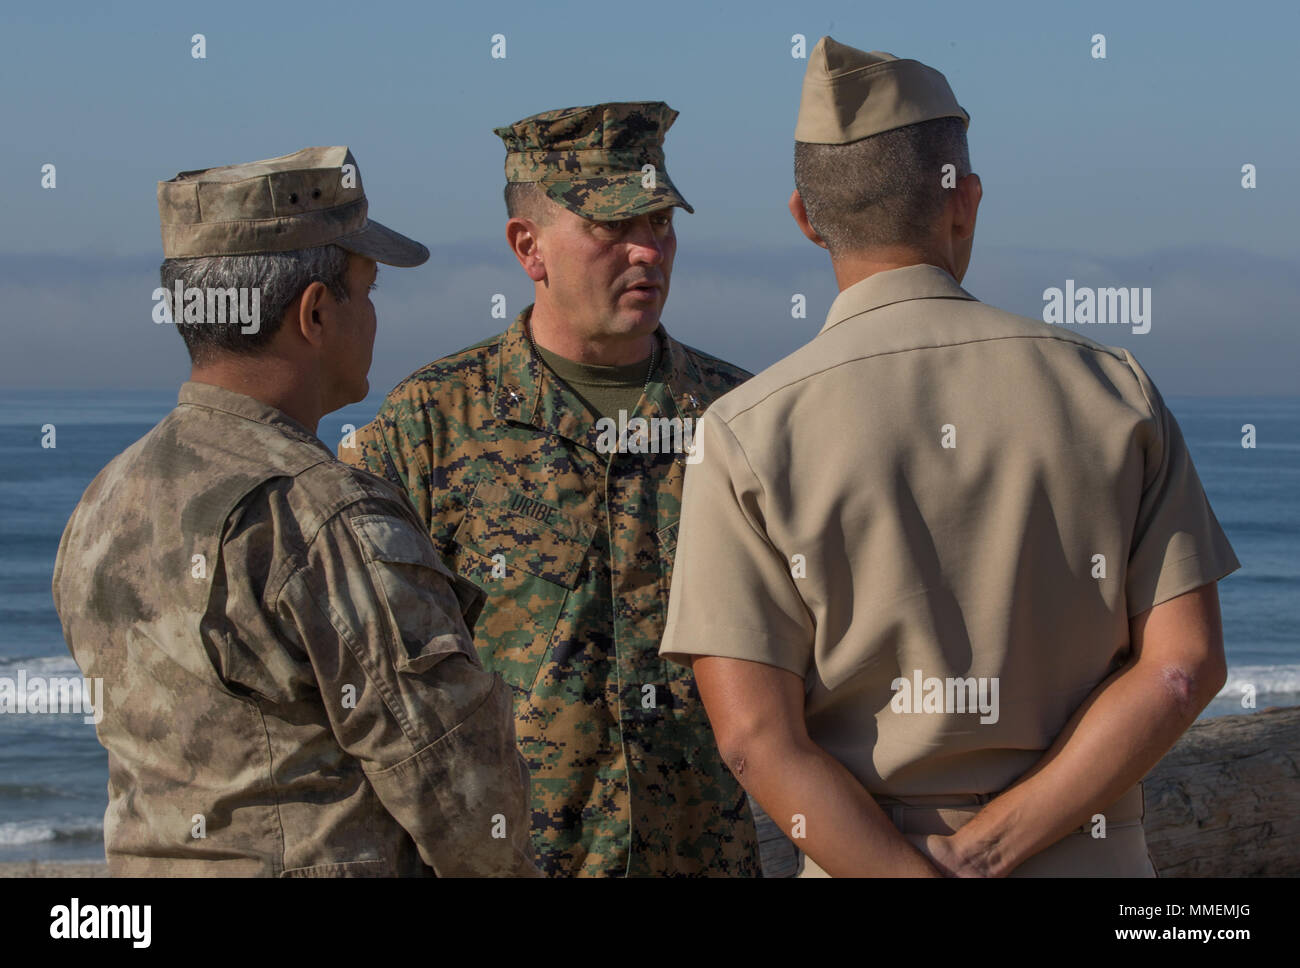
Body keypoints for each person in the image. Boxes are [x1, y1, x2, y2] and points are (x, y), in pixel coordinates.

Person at [659, 38, 1240, 877]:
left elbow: (754, 742)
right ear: (961, 201)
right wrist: (986, 848)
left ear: (804, 216)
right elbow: (1182, 670)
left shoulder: (744, 432)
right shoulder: (1113, 391)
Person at [52, 146, 537, 877]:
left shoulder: (105, 499)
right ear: (314, 313)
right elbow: (469, 807)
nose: (374, 316)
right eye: (366, 290)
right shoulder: (325, 516)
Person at [342, 103, 764, 876]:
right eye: (612, 228)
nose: (647, 250)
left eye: (661, 222)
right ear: (528, 247)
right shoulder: (432, 423)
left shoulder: (743, 417)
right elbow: (370, 683)